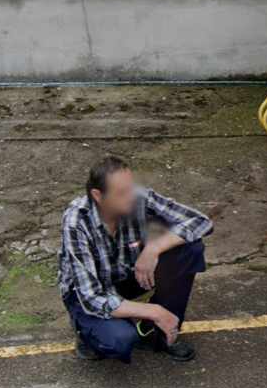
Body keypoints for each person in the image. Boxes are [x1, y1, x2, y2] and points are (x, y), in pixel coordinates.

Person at [57, 155, 214, 363]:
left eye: (131, 188)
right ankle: (87, 334)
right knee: (119, 340)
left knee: (190, 249)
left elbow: (200, 221)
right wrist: (154, 310)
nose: (131, 197)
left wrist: (154, 248)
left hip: (127, 274)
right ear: (98, 195)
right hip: (88, 293)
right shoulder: (77, 220)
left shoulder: (137, 197)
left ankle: (156, 334)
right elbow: (91, 297)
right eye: (122, 193)